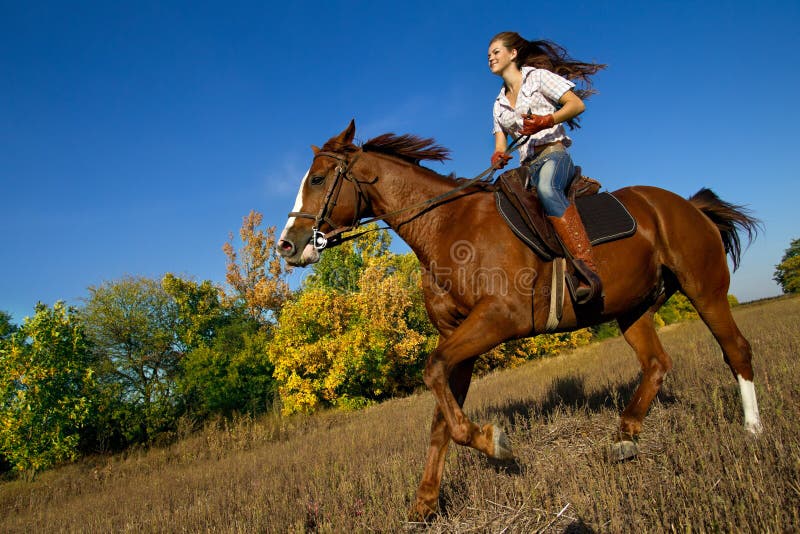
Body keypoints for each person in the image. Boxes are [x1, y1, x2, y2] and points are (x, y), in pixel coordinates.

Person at [488, 32, 606, 304]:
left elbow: (576, 105)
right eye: (489, 55)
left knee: (547, 189)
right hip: (526, 166)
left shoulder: (538, 78)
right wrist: (498, 156)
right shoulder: (497, 104)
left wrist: (546, 120)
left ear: (513, 54)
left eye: (496, 52)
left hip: (554, 155)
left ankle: (587, 268)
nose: (491, 58)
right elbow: (500, 144)